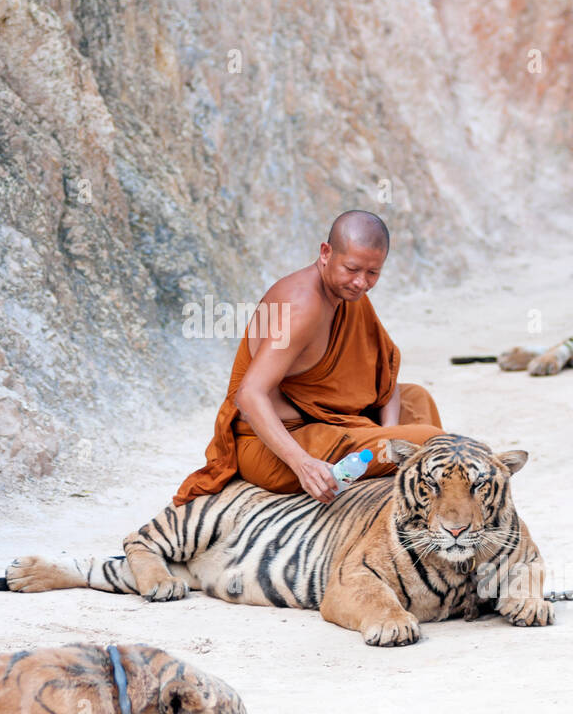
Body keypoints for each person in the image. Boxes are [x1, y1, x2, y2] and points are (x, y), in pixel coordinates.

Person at [173, 210, 444, 506]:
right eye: (352, 269)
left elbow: (384, 379)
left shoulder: (348, 295)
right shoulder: (302, 308)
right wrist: (303, 464)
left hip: (333, 423)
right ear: (325, 253)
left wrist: (388, 438)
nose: (361, 283)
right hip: (274, 444)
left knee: (416, 399)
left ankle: (396, 482)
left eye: (372, 273)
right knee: (430, 441)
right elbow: (249, 396)